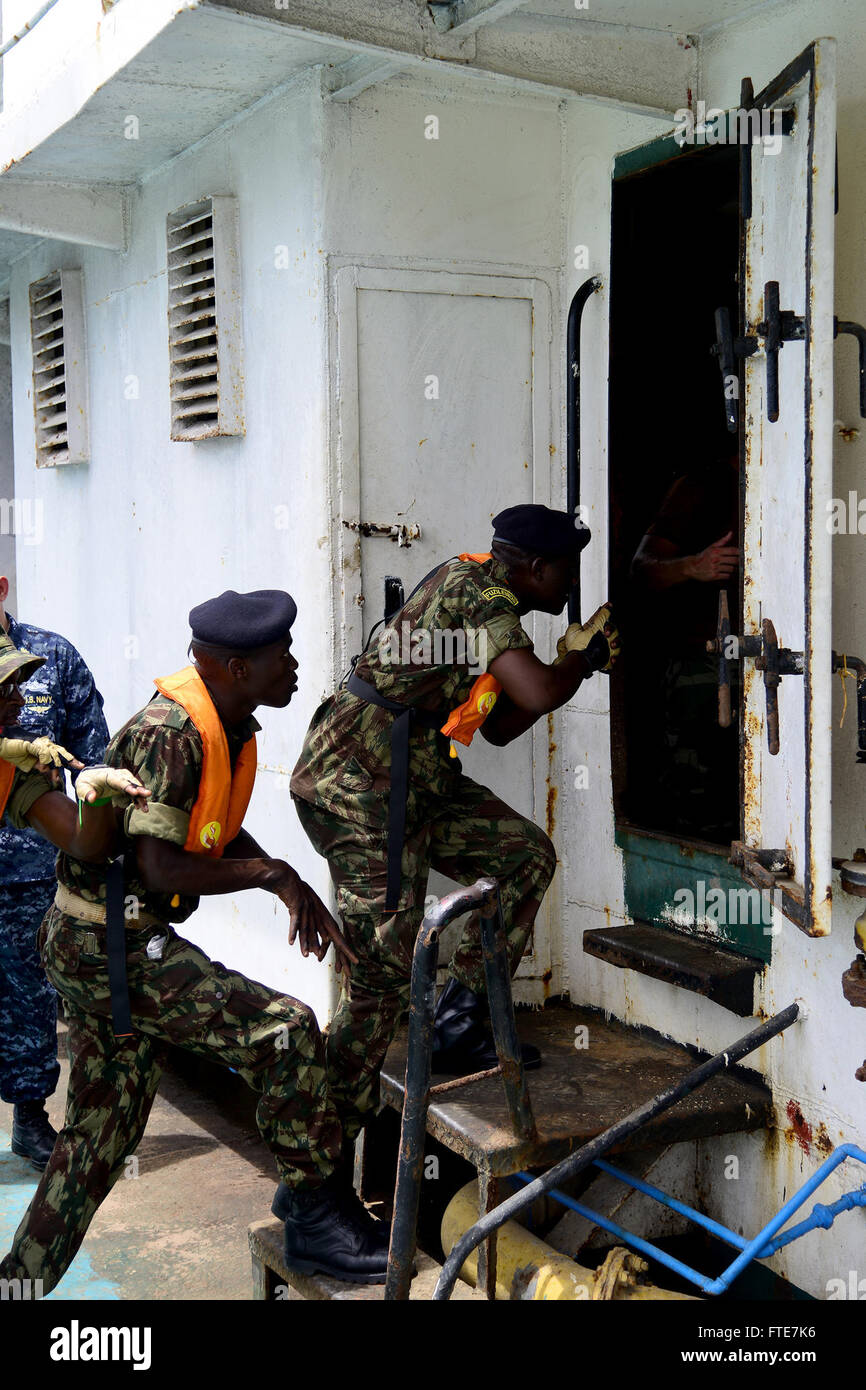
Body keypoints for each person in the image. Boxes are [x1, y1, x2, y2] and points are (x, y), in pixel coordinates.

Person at [0, 590, 397, 1296]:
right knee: (285, 1030)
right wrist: (270, 873)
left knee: (95, 1144)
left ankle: (17, 1286)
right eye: (284, 656)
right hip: (108, 943)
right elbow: (156, 864)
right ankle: (315, 1218)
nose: (297, 665)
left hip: (104, 938)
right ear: (238, 669)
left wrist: (280, 882)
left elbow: (202, 824)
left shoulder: (229, 723)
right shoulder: (170, 731)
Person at [290, 504, 619, 1151]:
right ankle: (315, 1154)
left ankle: (462, 1018)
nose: (570, 589)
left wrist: (566, 665)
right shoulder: (478, 596)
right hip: (358, 785)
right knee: (384, 971)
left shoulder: (490, 604)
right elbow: (542, 692)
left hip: (415, 783)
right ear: (535, 567)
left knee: (524, 855)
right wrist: (581, 661)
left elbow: (502, 720)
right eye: (566, 573)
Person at [0, 576, 110, 1168]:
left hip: (30, 865)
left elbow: (93, 757)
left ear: (2, 587)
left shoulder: (53, 657)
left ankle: (30, 1116)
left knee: (30, 995)